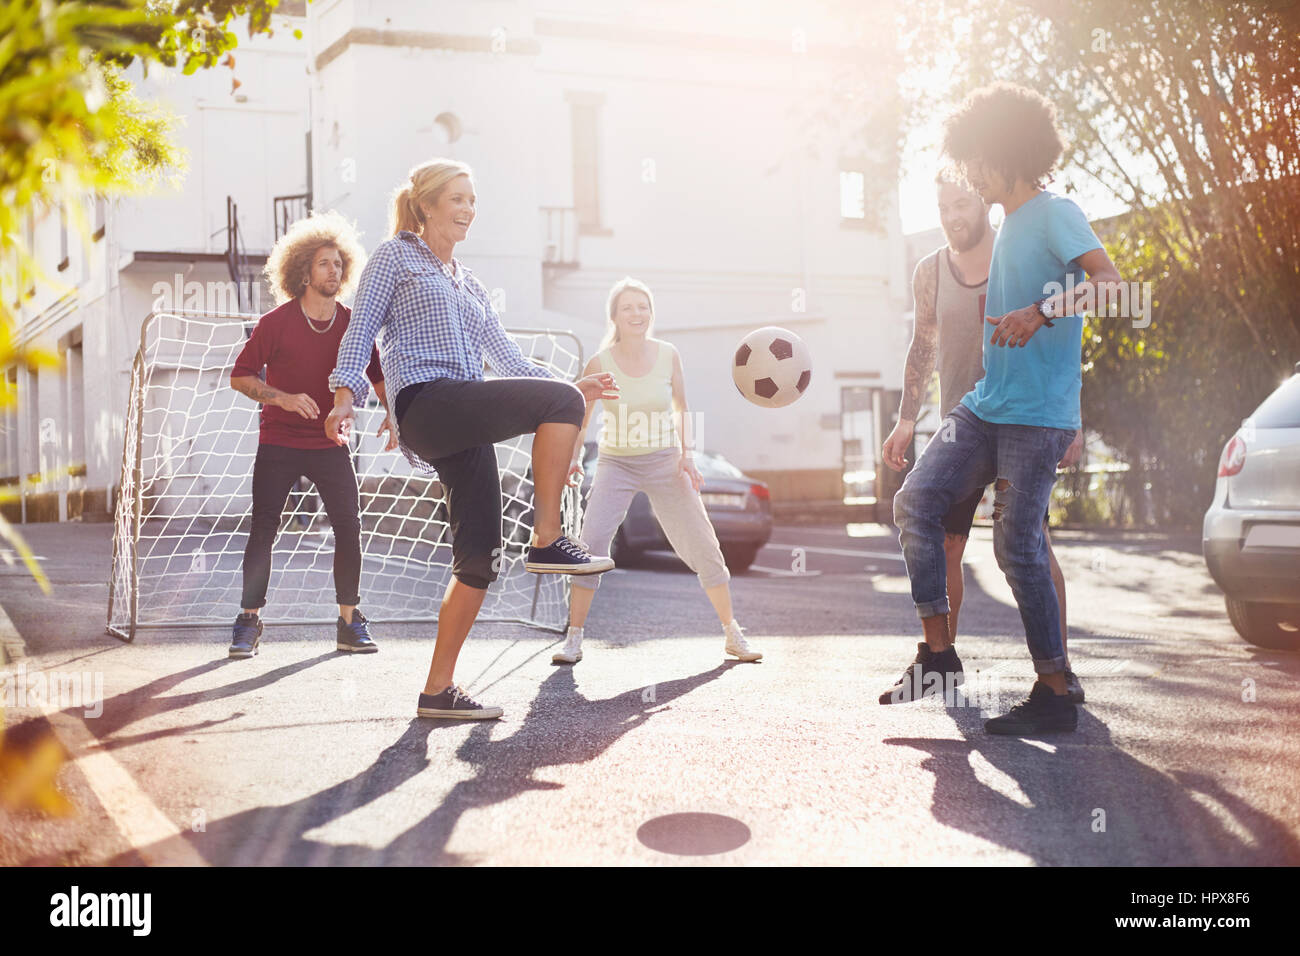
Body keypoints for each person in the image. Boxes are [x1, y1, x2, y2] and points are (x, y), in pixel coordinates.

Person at [327, 158, 619, 721]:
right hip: (428, 404)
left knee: (480, 556)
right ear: (427, 205)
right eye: (457, 199)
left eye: (473, 201)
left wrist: (570, 392)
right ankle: (548, 539)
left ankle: (438, 691)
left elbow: (509, 361)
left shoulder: (472, 285)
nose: (467, 210)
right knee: (562, 402)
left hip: (465, 417)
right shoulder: (395, 257)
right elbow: (360, 328)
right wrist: (345, 394)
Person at [882, 83, 1122, 734]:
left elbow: (1111, 284)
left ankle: (1054, 687)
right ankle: (938, 656)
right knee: (915, 503)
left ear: (1004, 153)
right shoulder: (1010, 225)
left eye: (976, 161)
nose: (971, 174)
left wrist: (1041, 311)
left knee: (1017, 547)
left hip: (1038, 417)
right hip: (988, 404)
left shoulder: (1052, 213)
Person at [881, 169, 1085, 703]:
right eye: (945, 205)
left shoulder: (1017, 246)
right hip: (966, 419)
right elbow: (922, 344)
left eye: (963, 203)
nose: (953, 215)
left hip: (1027, 417)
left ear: (985, 202)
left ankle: (1059, 672)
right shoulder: (929, 271)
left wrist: (1074, 420)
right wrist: (907, 418)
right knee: (943, 539)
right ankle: (940, 659)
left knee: (1028, 544)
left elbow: (1072, 319)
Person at [553, 277, 762, 665]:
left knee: (704, 544)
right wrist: (573, 461)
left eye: (643, 306)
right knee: (590, 545)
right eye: (628, 307)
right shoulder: (600, 362)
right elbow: (582, 420)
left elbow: (684, 407)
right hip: (617, 463)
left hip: (666, 461)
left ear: (651, 313)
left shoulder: (669, 354)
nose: (637, 313)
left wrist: (688, 456)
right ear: (614, 316)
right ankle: (573, 638)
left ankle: (733, 633)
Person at [229, 211, 395, 659]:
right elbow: (239, 376)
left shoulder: (350, 324)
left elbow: (378, 377)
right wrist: (280, 398)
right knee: (264, 528)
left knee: (349, 527)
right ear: (303, 270)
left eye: (339, 263)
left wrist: (394, 415)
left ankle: (348, 622)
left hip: (330, 444)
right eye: (324, 263)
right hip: (278, 441)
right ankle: (248, 620)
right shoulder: (275, 323)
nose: (334, 270)